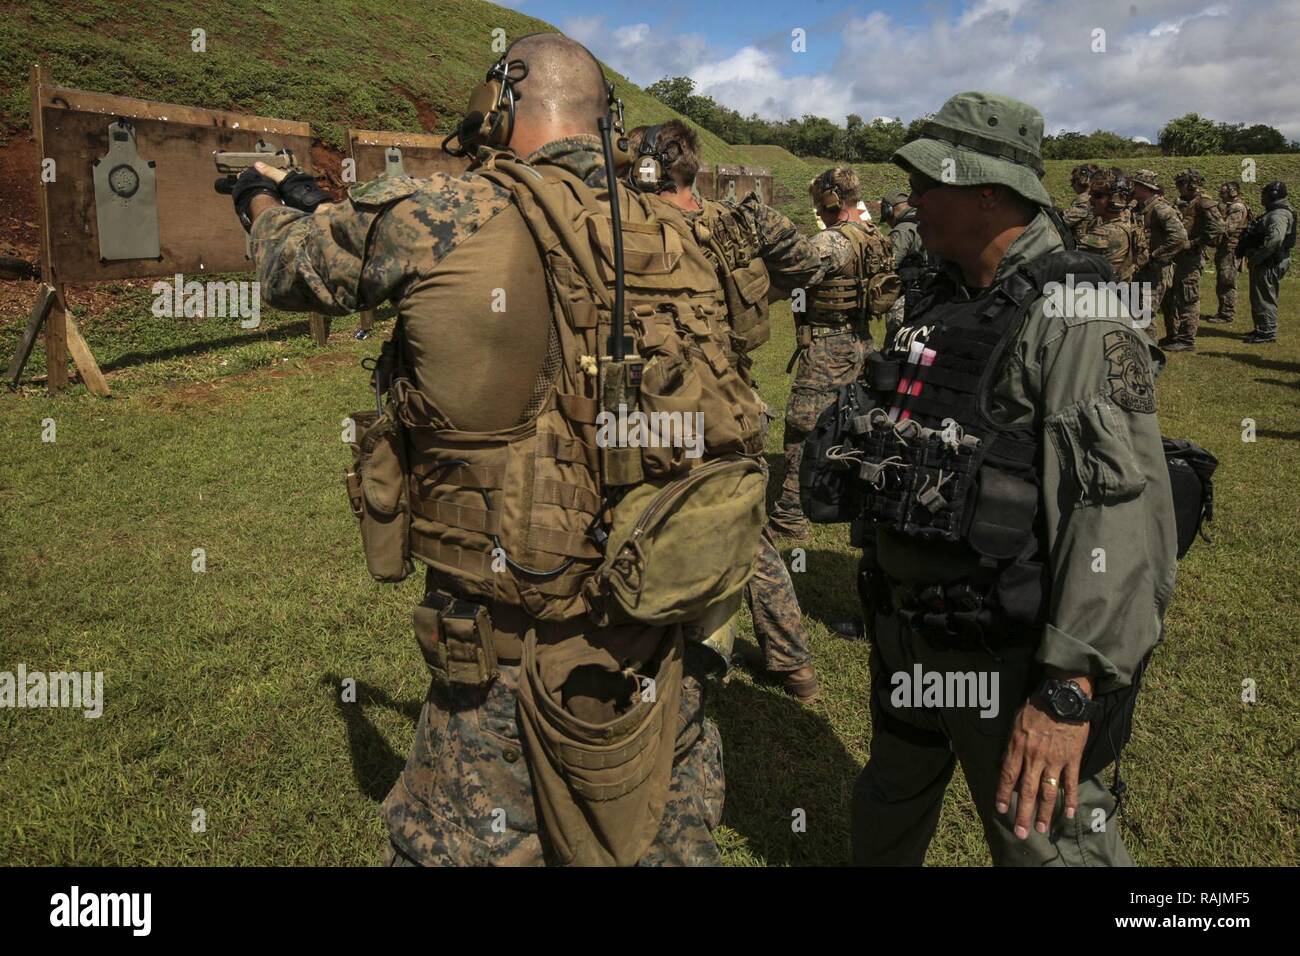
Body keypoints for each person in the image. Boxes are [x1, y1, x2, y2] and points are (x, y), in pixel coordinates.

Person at [224, 32, 762, 866]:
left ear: (502, 101)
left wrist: (261, 199)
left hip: (503, 660)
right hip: (658, 633)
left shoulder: (441, 215)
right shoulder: (683, 235)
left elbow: (291, 265)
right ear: (607, 119)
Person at [844, 91, 1177, 866]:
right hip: (908, 631)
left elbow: (1118, 512)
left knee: (1047, 844)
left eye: (932, 184)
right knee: (888, 804)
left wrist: (1069, 690)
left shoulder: (1079, 315)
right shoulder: (935, 295)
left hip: (1008, 654)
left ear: (991, 192)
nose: (914, 199)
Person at [625, 119, 824, 701]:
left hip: (664, 402)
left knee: (654, 511)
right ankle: (793, 663)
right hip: (735, 395)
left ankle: (679, 657)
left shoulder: (630, 224)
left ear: (647, 168)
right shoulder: (730, 222)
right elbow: (809, 265)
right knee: (745, 524)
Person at [769, 168, 899, 542]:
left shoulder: (831, 242)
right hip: (862, 343)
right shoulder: (873, 236)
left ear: (830, 199)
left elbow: (789, 277)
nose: (818, 212)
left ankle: (790, 517)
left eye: (818, 204)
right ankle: (856, 500)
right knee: (856, 424)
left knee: (803, 429)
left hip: (829, 348)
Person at [1162, 168, 1225, 352]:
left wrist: (1193, 243)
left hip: (1191, 257)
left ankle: (1187, 339)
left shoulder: (1204, 202)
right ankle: (1174, 334)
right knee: (1173, 297)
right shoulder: (1184, 202)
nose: (1178, 188)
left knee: (1188, 296)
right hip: (1178, 256)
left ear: (1191, 184)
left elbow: (1218, 229)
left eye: (1181, 184)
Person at [1130, 170, 1189, 343]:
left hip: (1155, 269)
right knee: (1139, 309)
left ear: (1144, 188)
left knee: (1145, 312)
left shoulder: (1160, 208)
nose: (1133, 188)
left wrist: (1155, 256)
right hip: (1142, 267)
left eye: (1136, 185)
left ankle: (1148, 352)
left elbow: (1179, 237)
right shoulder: (1139, 207)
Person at [1244, 180, 1295, 344]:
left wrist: (1257, 257)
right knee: (1260, 296)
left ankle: (1267, 332)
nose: (1262, 198)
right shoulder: (1278, 211)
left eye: (1264, 194)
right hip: (1270, 260)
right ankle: (1262, 327)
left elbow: (1274, 240)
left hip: (1269, 261)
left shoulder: (1278, 215)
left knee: (1264, 297)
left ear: (1271, 195)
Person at [1077, 170, 1143, 281]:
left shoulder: (1105, 233)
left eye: (1097, 195)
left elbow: (1075, 265)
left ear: (1114, 199)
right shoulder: (1128, 221)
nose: (1091, 199)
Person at [880, 188, 929, 338]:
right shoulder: (927, 222)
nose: (888, 224)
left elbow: (888, 265)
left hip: (908, 297)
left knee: (896, 339)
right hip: (929, 295)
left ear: (889, 210)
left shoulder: (902, 230)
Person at [1206, 181, 1252, 325]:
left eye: (1224, 192)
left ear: (1233, 192)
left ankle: (1226, 314)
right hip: (1226, 248)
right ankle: (1224, 311)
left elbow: (1227, 228)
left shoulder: (1237, 207)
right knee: (1223, 280)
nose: (1221, 194)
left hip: (1230, 249)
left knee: (1227, 281)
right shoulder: (1230, 206)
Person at [1060, 164, 1099, 240]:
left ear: (1082, 181)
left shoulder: (1085, 200)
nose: (1072, 185)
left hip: (1080, 245)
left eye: (1074, 181)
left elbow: (1064, 221)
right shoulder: (1094, 197)